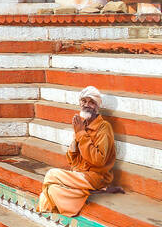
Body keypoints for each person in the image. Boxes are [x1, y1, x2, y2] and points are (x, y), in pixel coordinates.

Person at [37, 86, 117, 217]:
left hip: (96, 176)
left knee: (51, 174)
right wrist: (76, 139)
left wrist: (80, 133)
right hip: (80, 174)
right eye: (84, 101)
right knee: (52, 190)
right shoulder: (82, 124)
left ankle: (42, 213)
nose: (87, 105)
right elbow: (72, 160)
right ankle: (51, 212)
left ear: (97, 106)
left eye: (91, 102)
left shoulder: (104, 127)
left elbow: (98, 160)